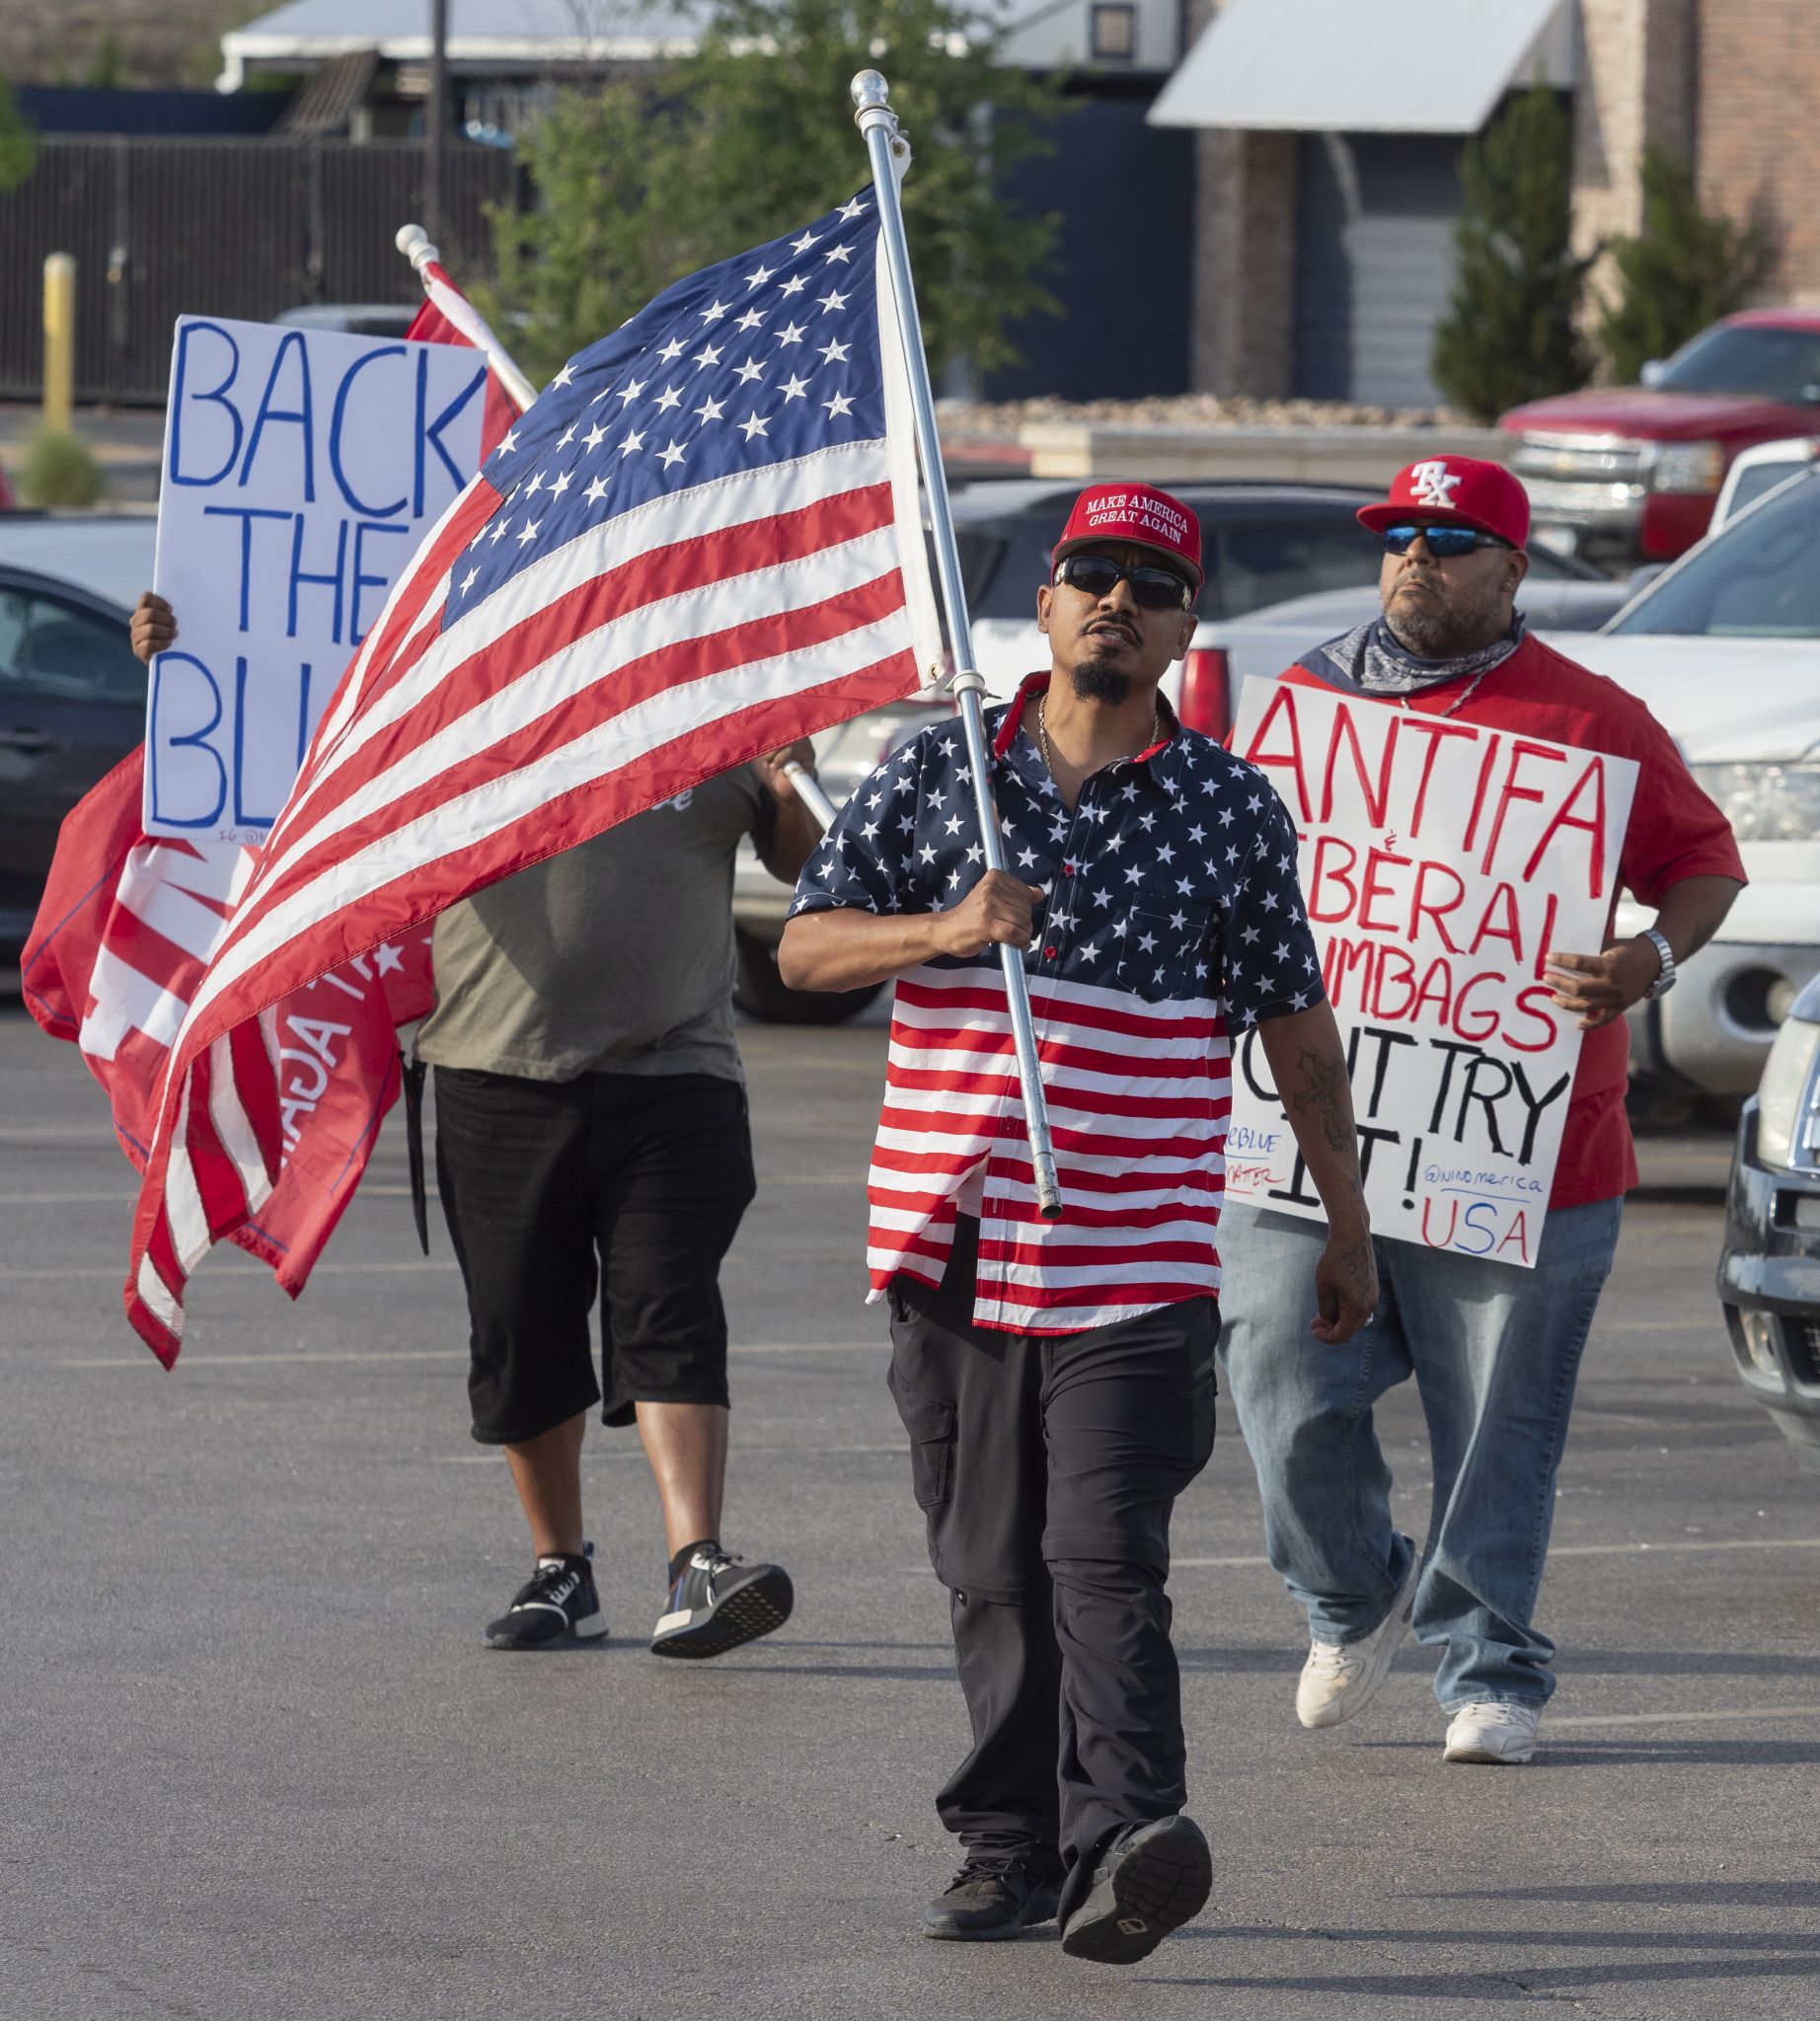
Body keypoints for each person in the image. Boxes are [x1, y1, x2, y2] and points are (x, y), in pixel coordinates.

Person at [776, 484, 1378, 1966]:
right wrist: (948, 928)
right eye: (1093, 572)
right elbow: (802, 948)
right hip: (957, 1240)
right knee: (991, 1565)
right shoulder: (940, 772)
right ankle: (1008, 1845)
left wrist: (1346, 1219)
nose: (1119, 599)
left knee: (1104, 1553)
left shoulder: (1228, 806)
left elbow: (1293, 1023)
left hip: (1136, 1248)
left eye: (1151, 584)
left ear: (1183, 628)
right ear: (1044, 603)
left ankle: (1127, 1843)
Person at [129, 589, 820, 1661]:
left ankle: (697, 1563)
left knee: (670, 1307)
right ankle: (562, 1570)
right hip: (494, 1072)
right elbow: (298, 739)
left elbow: (798, 863)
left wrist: (786, 777)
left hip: (675, 1072)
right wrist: (196, 657)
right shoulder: (463, 686)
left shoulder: (714, 681)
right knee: (518, 1328)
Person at [1216, 457, 1746, 1766]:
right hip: (1312, 1135)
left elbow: (1703, 862)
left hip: (1524, 1147)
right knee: (1277, 1366)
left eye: (1449, 540)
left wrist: (1648, 960)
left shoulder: (1593, 717)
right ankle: (1352, 1588)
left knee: (1495, 1430)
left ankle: (1489, 1669)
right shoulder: (1307, 708)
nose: (1416, 558)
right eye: (1398, 535)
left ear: (1512, 569)